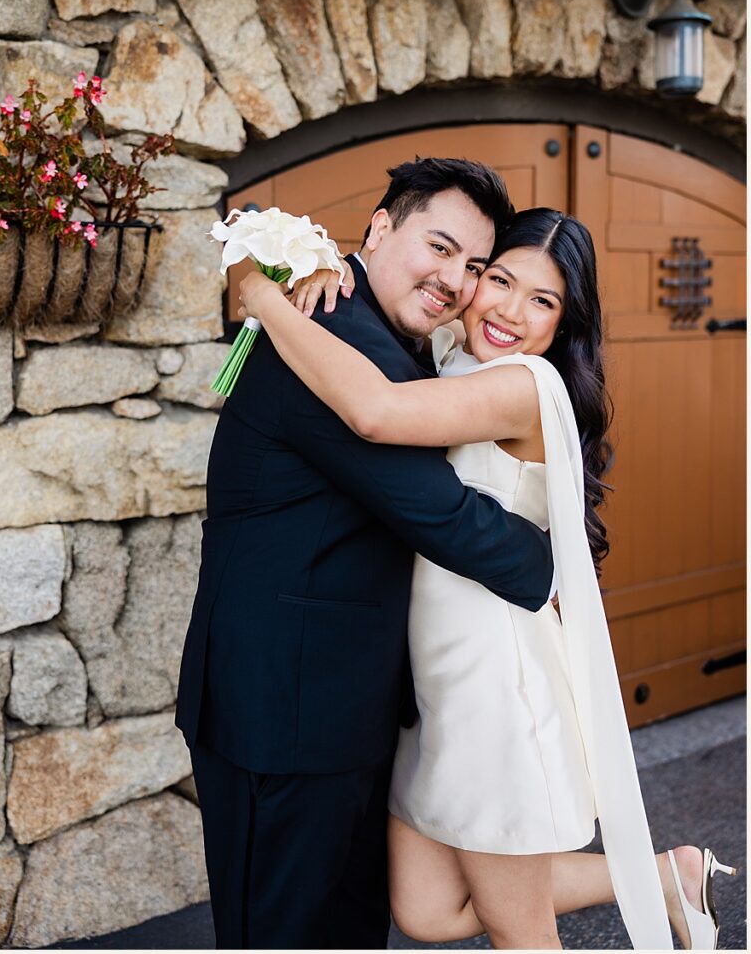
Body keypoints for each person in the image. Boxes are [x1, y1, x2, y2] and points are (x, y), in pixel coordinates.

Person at [238, 207, 735, 949]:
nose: (509, 309)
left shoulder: (526, 385)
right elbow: (376, 292)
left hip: (493, 694)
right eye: (499, 279)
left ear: (564, 324)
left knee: (521, 936)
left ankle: (666, 877)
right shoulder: (453, 349)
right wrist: (303, 264)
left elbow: (374, 412)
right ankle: (668, 874)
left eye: (543, 301)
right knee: (427, 911)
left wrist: (262, 297)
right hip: (431, 688)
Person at [175, 158, 558, 949]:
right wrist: (554, 570)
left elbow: (253, 236)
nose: (455, 280)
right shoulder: (329, 331)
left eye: (474, 267)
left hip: (334, 702)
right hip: (286, 708)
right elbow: (438, 512)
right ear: (380, 228)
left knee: (343, 927)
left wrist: (262, 276)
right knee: (286, 932)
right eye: (440, 247)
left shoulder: (371, 322)